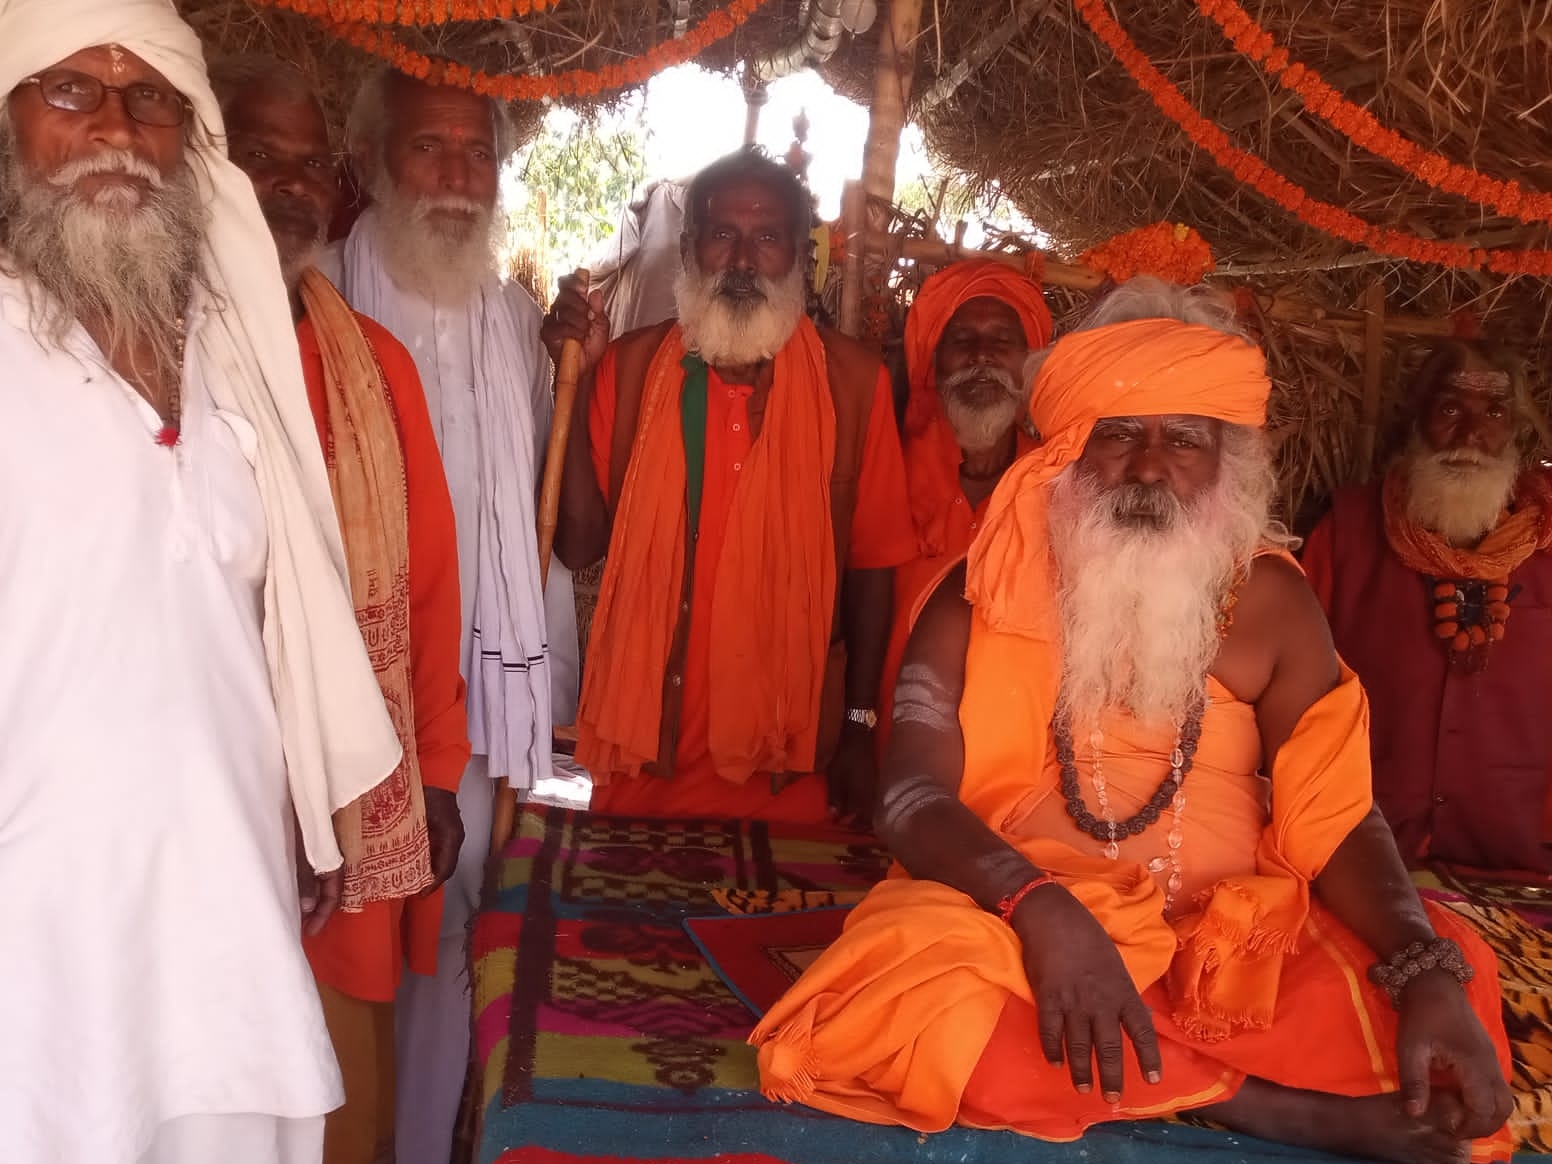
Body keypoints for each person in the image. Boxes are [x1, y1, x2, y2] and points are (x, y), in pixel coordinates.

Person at [750, 283, 1514, 1164]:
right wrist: (1041, 911)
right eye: (1117, 434)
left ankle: (1162, 1076)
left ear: (1227, 460)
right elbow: (912, 796)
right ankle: (1267, 1107)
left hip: (1234, 946)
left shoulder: (1271, 601)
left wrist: (1421, 967)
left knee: (1454, 977)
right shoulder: (977, 593)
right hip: (1018, 930)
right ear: (1067, 449)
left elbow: (1339, 815)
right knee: (907, 995)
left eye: (1184, 440)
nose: (1149, 467)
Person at [0, 3, 406, 1161]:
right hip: (35, 934)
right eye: (69, 93)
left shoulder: (229, 356)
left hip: (226, 910)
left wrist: (295, 792)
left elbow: (258, 624)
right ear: (9, 122)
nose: (115, 128)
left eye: (151, 101)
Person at [213, 57, 472, 1164]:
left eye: (308, 162)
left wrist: (444, 775)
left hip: (353, 809)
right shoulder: (145, 354)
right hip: (208, 806)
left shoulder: (377, 367)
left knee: (336, 1100)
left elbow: (427, 591)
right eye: (254, 156)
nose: (286, 184)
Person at [321, 65, 579, 1164]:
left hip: (474, 702)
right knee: (334, 934)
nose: (458, 177)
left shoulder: (519, 322)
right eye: (432, 149)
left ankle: (422, 1148)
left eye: (478, 153)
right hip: (340, 694)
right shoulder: (321, 300)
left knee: (450, 922)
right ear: (377, 164)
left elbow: (534, 522)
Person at [549, 148, 917, 824]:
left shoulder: (855, 385)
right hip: (642, 761)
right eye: (723, 235)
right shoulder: (629, 371)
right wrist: (573, 383)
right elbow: (577, 546)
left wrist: (862, 727)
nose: (744, 261)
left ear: (801, 259)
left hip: (789, 770)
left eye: (768, 237)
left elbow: (872, 569)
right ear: (689, 248)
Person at [1304, 342, 1552, 874]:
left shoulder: (1546, 542)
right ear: (1416, 420)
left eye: (1493, 413)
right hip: (1364, 860)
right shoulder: (1346, 533)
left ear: (1515, 430)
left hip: (1520, 862)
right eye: (1449, 409)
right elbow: (1296, 694)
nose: (1470, 435)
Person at [880, 259, 1053, 735]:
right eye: (961, 340)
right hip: (891, 738)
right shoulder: (885, 468)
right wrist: (858, 722)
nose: (981, 356)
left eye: (1001, 340)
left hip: (1019, 750)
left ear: (1030, 358)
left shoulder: (1059, 483)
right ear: (932, 363)